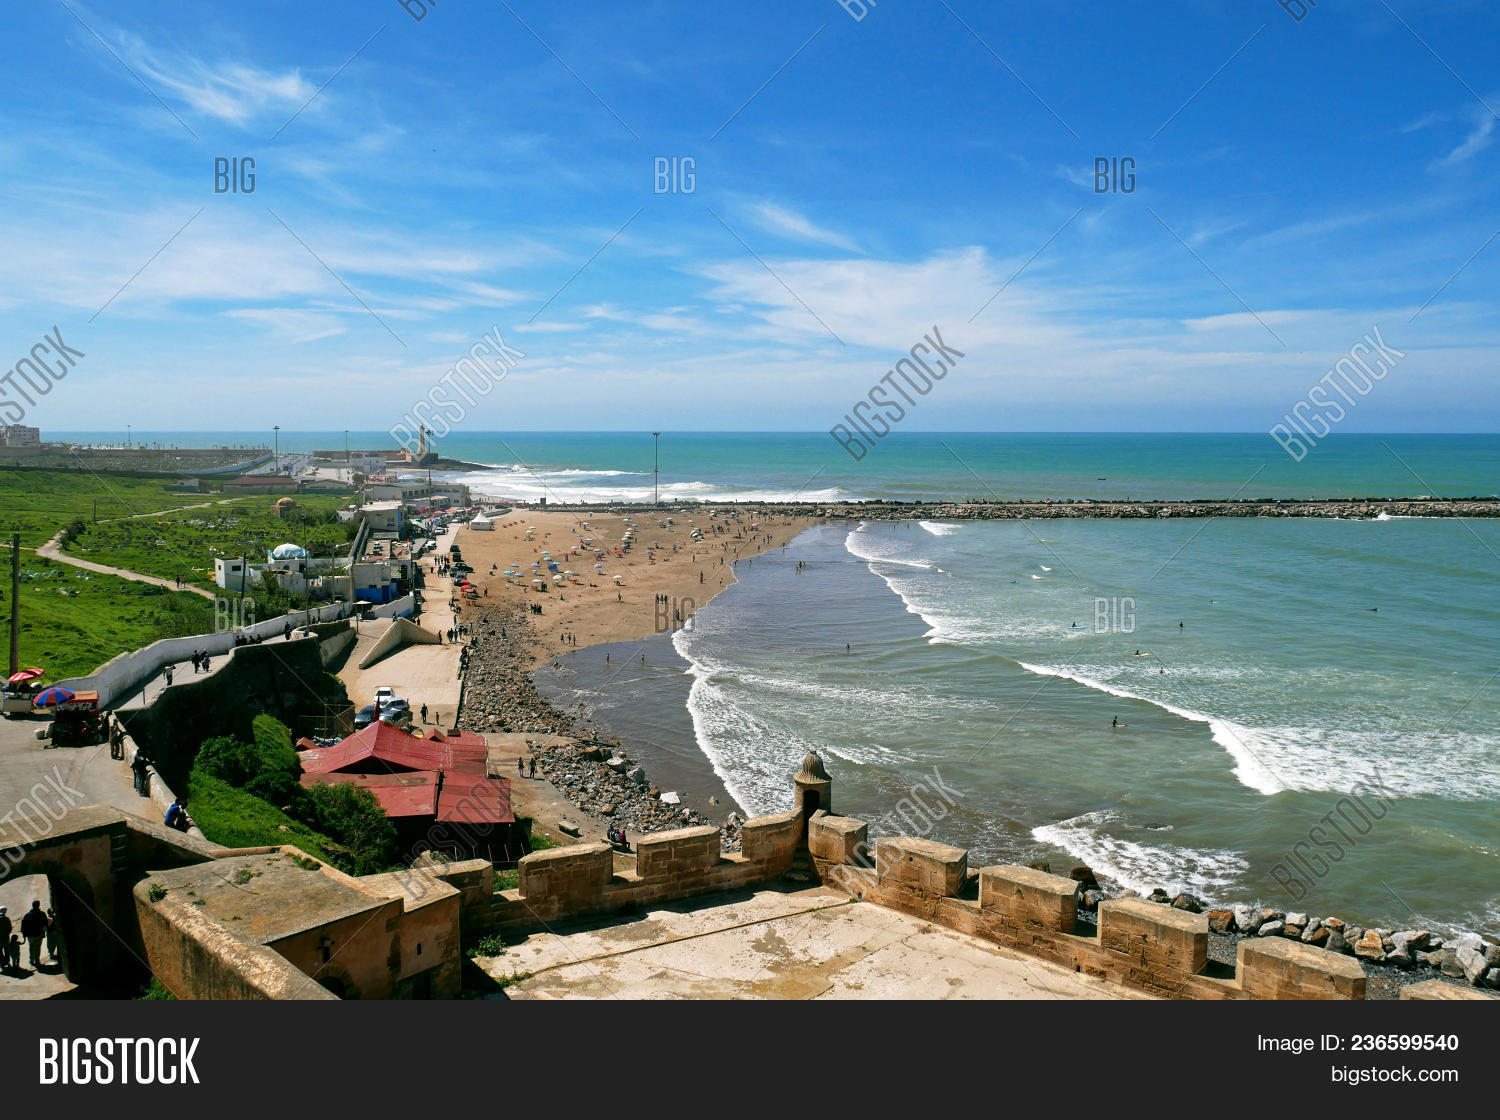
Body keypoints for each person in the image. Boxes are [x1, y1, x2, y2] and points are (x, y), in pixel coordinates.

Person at [20, 900, 47, 968]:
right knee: (37, 948)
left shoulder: (27, 915)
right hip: (38, 934)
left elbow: (23, 926)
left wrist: (24, 935)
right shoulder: (42, 914)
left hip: (30, 935)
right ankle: (37, 961)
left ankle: (31, 960)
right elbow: (45, 924)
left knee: (31, 947)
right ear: (39, 905)